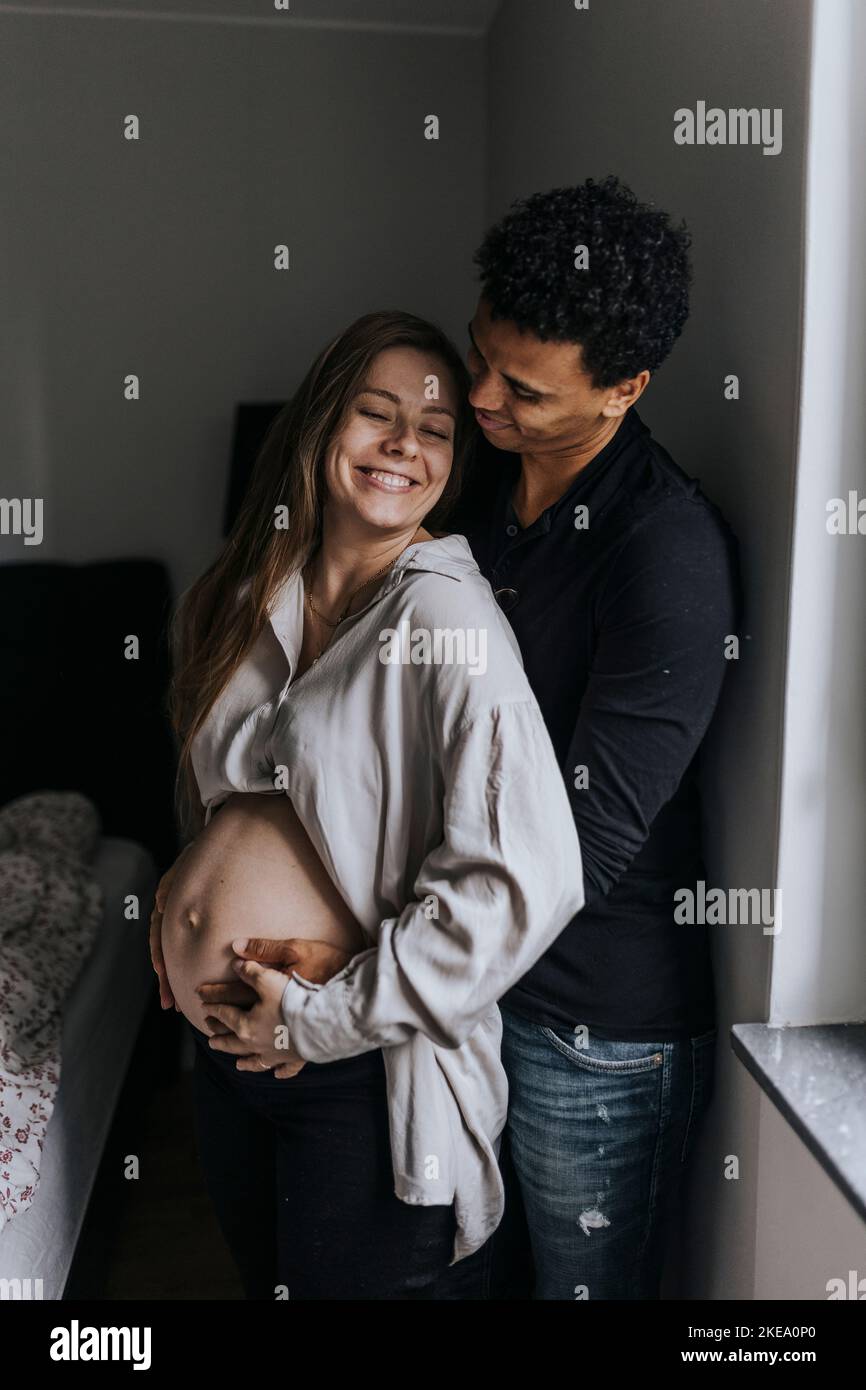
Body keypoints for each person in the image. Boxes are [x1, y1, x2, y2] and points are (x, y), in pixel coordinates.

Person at [150, 309, 585, 1300]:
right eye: (376, 413)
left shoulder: (444, 616)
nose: (403, 444)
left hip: (351, 1078)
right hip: (228, 1060)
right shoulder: (256, 586)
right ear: (321, 426)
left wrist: (316, 1020)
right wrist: (187, 887)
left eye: (433, 429)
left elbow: (526, 878)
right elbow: (252, 793)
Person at [450, 176, 742, 1299]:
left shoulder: (664, 553)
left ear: (623, 388)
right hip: (476, 979)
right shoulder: (478, 480)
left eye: (521, 390)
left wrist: (376, 963)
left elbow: (575, 844)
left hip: (593, 1032)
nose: (479, 397)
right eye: (480, 356)